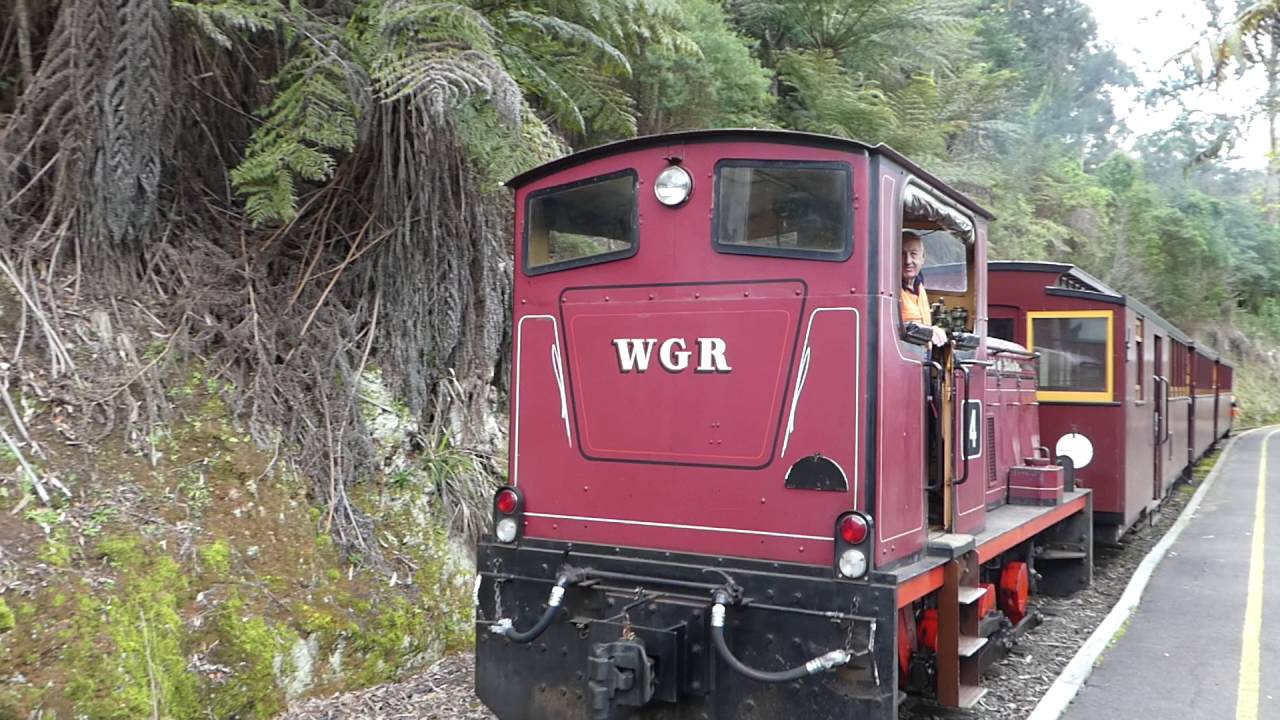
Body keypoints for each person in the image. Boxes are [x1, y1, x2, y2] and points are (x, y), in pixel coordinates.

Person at [900, 231, 948, 346]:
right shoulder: (890, 288)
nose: (908, 261)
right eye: (902, 254)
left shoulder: (919, 284)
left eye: (913, 254)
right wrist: (929, 332)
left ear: (923, 257)